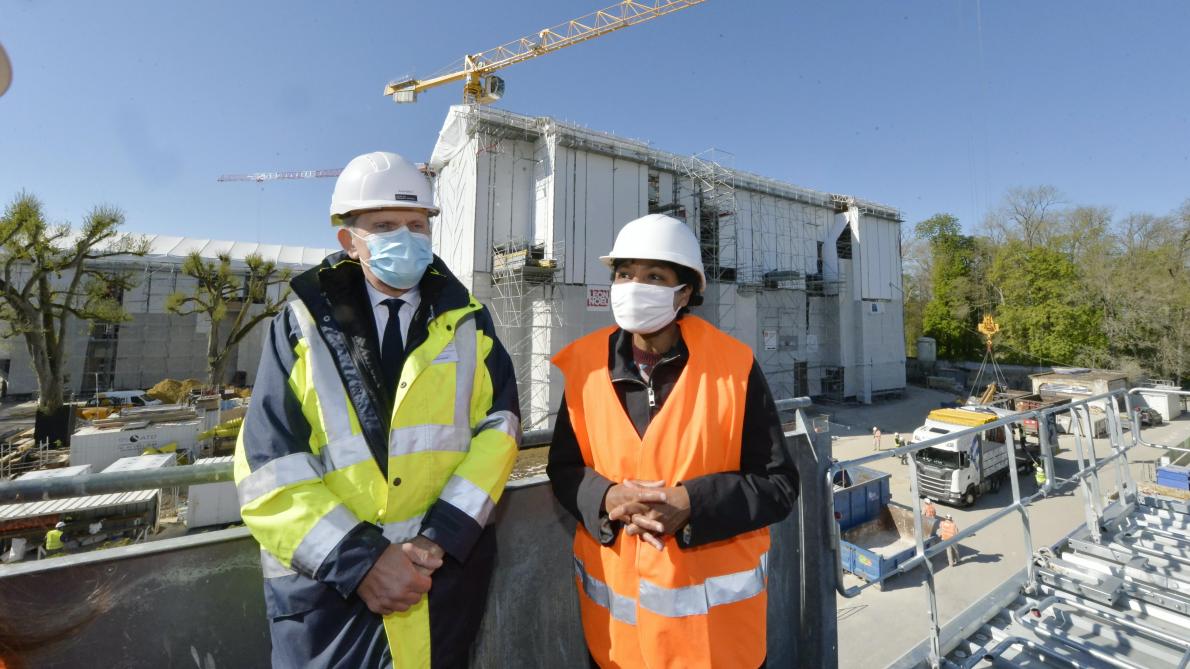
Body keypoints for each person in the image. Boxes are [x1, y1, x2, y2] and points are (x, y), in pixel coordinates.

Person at [233, 151, 521, 668]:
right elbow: (268, 468)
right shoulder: (301, 324)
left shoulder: (469, 321)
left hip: (440, 583)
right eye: (385, 226)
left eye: (417, 224)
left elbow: (498, 430)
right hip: (329, 601)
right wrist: (360, 562)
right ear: (349, 239)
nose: (406, 237)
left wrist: (440, 537)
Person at [547, 213, 799, 669]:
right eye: (625, 274)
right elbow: (564, 469)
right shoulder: (584, 368)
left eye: (654, 277)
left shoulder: (734, 368)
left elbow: (778, 484)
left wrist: (693, 504)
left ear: (684, 293)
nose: (633, 286)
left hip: (716, 647)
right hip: (617, 647)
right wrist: (605, 497)